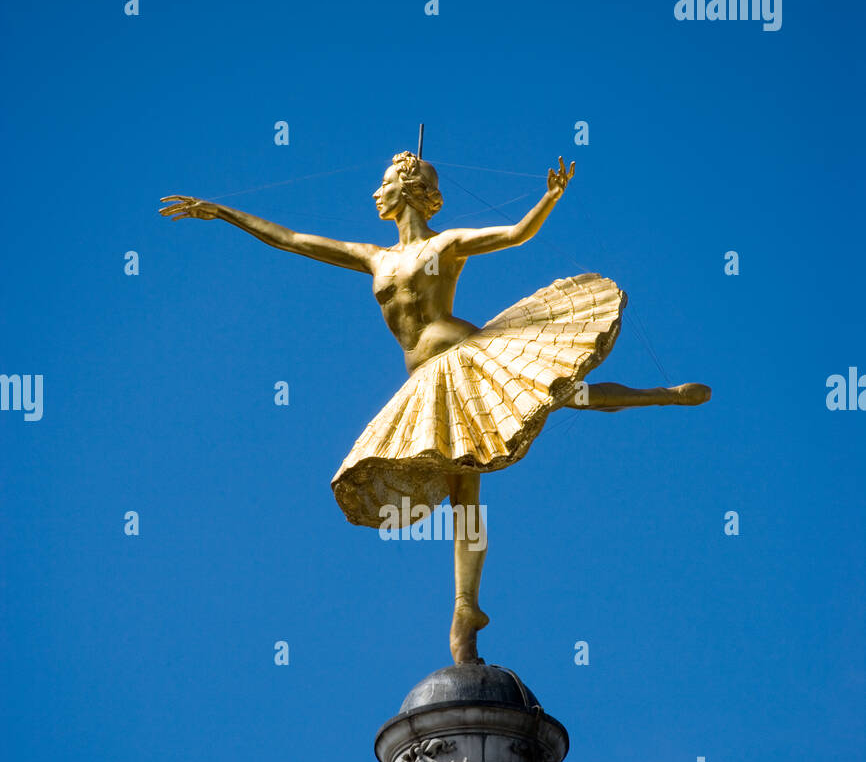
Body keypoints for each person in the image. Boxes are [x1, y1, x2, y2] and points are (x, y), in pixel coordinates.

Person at [161, 152, 710, 663]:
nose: (376, 192)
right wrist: (223, 212)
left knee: (562, 392)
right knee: (464, 488)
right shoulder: (372, 256)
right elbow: (292, 239)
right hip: (425, 377)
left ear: (406, 189)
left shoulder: (444, 246)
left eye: (384, 182)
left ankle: (664, 394)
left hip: (462, 352)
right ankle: (465, 605)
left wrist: (549, 198)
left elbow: (515, 234)